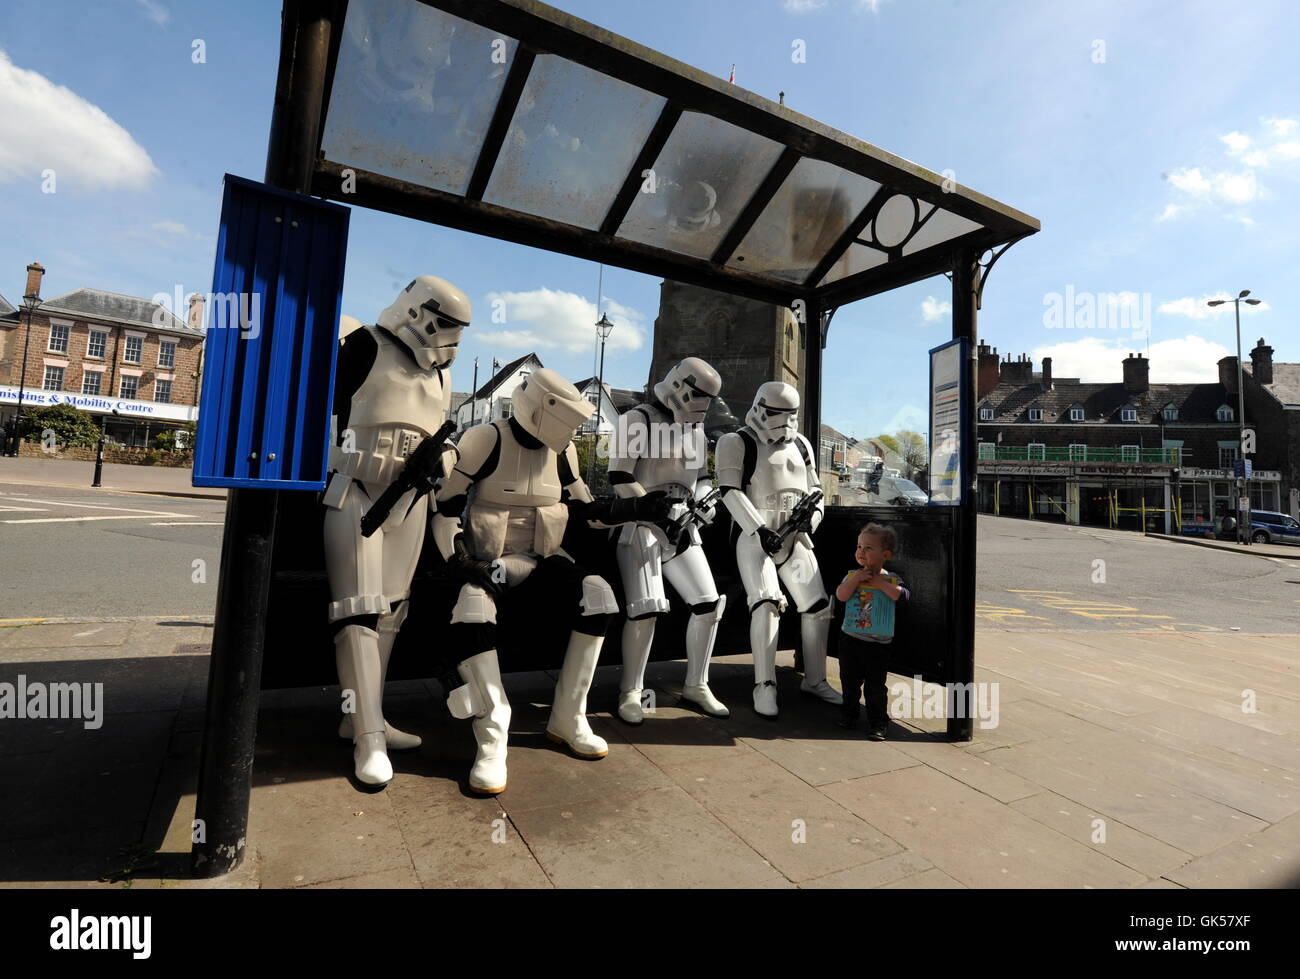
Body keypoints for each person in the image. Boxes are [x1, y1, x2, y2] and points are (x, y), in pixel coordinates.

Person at [431, 368, 670, 794]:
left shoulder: (563, 453)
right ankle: (492, 732)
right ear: (543, 407)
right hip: (487, 562)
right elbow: (446, 507)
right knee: (471, 606)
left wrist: (635, 510)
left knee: (599, 595)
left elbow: (584, 512)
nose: (574, 429)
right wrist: (460, 561)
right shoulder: (485, 439)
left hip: (544, 558)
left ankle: (568, 716)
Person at [322, 275, 468, 789]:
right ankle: (368, 738)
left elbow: (444, 437)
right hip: (356, 493)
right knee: (359, 612)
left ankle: (365, 717)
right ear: (417, 310)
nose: (451, 337)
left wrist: (442, 460)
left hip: (410, 504)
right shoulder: (360, 346)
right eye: (446, 324)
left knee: (390, 614)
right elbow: (319, 421)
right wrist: (359, 459)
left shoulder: (442, 374)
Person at [607, 357, 729, 724]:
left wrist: (705, 503)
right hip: (640, 525)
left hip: (684, 526)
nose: (702, 407)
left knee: (708, 605)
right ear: (681, 387)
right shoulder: (637, 419)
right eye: (699, 397)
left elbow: (703, 477)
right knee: (646, 607)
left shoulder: (696, 428)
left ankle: (697, 683)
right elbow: (619, 475)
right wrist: (652, 507)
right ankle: (632, 690)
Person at [716, 381, 841, 718]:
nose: (783, 422)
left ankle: (814, 680)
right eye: (776, 413)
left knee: (817, 607)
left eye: (790, 415)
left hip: (793, 538)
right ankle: (764, 684)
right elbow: (729, 491)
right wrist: (758, 529)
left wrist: (811, 519)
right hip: (756, 540)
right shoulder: (736, 442)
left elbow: (816, 489)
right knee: (767, 603)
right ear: (759, 408)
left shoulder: (801, 445)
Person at [835, 522, 909, 740]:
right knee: (849, 682)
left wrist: (878, 582)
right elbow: (841, 595)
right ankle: (849, 714)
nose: (861, 551)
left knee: (876, 687)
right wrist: (856, 580)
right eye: (859, 546)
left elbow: (901, 595)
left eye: (869, 548)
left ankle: (878, 723)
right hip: (851, 639)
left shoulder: (890, 579)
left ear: (885, 554)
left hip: (878, 644)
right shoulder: (852, 576)